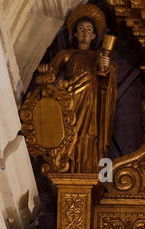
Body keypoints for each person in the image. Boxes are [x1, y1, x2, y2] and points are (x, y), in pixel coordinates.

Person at [32, 3, 115, 172]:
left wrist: (106, 68)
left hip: (91, 103)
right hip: (70, 100)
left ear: (94, 36)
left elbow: (106, 77)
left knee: (87, 135)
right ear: (75, 33)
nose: (85, 32)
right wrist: (46, 72)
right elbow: (51, 75)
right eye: (81, 28)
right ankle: (65, 165)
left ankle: (85, 169)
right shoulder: (65, 55)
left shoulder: (98, 57)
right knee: (69, 132)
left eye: (89, 29)